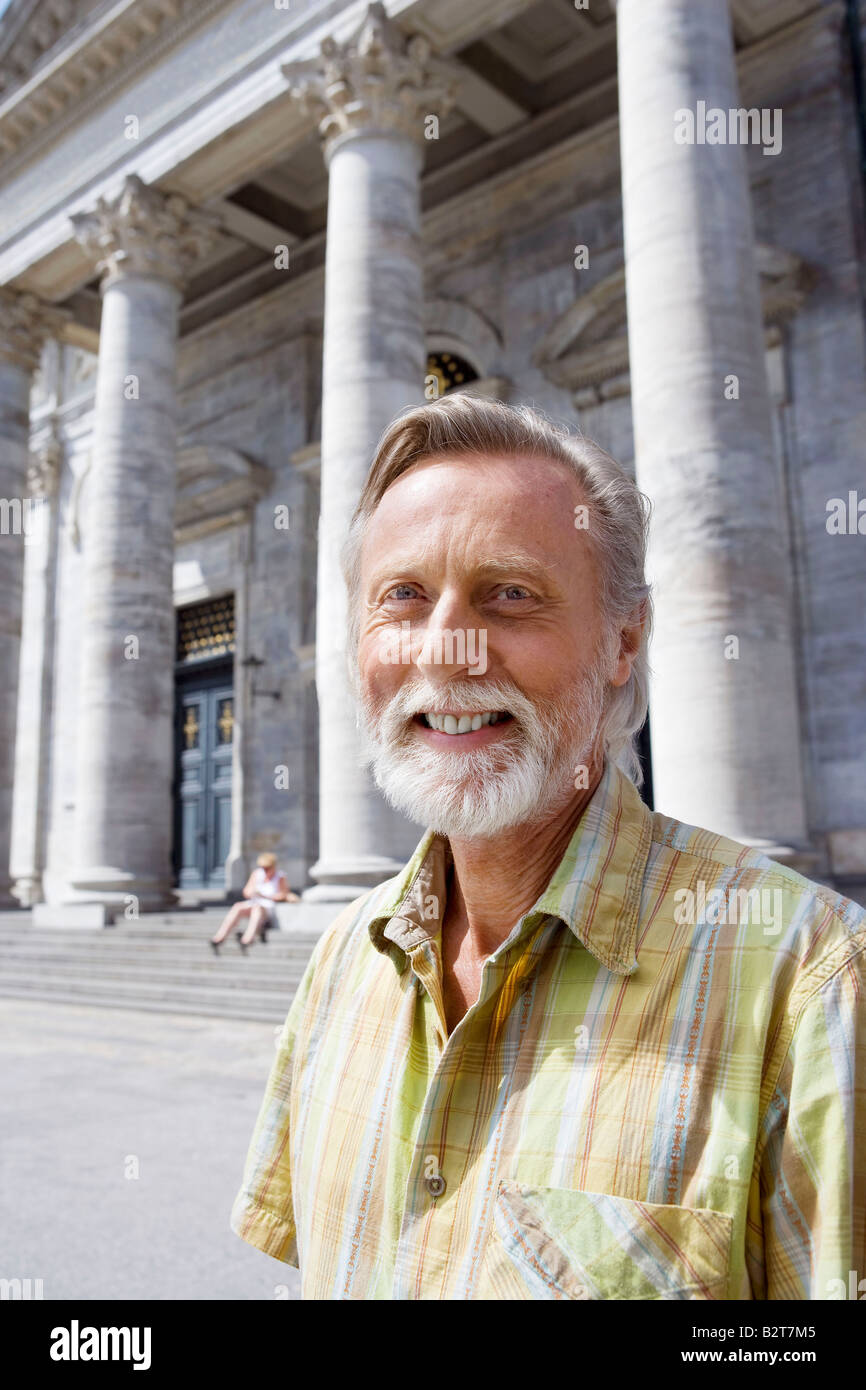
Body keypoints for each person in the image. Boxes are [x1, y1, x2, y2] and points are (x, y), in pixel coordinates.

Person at [230, 394, 866, 1300]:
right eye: (403, 596)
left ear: (622, 642)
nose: (446, 651)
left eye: (510, 595)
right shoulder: (341, 961)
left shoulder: (811, 983)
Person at [210, 853, 298, 953]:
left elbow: (283, 894)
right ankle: (219, 938)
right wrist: (253, 892)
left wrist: (264, 896)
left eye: (267, 868)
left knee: (257, 909)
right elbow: (246, 891)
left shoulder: (280, 876)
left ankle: (247, 939)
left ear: (273, 866)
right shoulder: (257, 874)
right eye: (263, 868)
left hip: (268, 906)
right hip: (254, 902)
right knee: (237, 906)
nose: (265, 870)